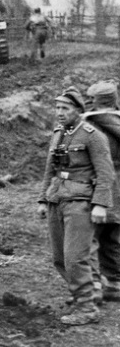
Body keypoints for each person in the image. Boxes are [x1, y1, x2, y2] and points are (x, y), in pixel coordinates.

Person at [38, 86, 114, 326]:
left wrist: (100, 204)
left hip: (80, 203)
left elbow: (106, 173)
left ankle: (87, 307)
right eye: (58, 108)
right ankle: (80, 292)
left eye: (65, 108)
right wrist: (42, 199)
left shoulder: (92, 135)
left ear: (78, 110)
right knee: (59, 258)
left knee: (75, 258)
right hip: (56, 199)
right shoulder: (58, 133)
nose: (60, 113)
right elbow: (49, 169)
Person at [84, 80, 120, 303]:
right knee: (113, 236)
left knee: (89, 237)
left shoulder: (90, 127)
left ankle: (94, 285)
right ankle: (115, 284)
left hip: (98, 185)